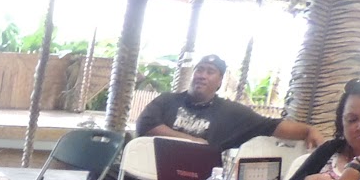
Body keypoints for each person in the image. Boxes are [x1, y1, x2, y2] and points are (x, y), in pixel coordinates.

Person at [135, 53, 321, 153]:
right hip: (147, 172)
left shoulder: (230, 113)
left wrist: (308, 130)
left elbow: (271, 126)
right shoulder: (167, 100)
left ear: (220, 81)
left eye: (210, 72)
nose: (202, 75)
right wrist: (194, 142)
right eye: (199, 70)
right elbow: (146, 124)